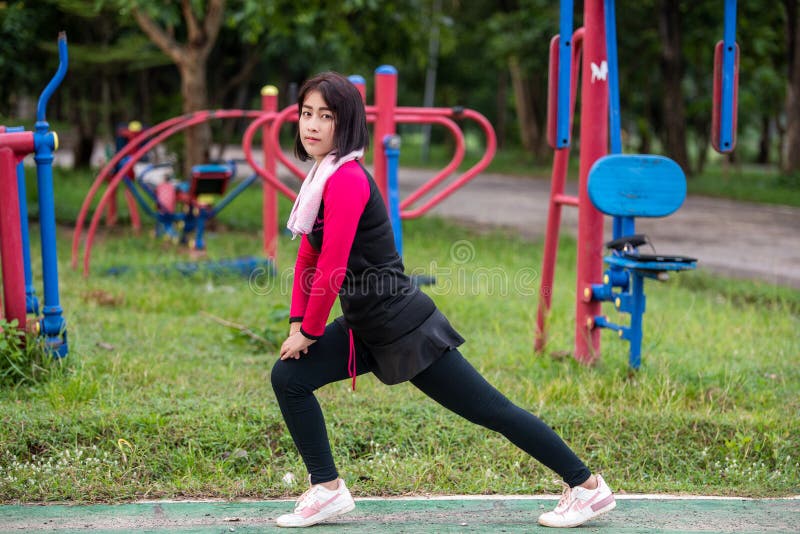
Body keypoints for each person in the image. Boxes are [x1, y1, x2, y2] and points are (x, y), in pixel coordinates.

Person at [271, 71, 616, 529]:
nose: (312, 125)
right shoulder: (321, 177)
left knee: (490, 410)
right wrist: (297, 323)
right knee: (289, 377)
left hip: (403, 327)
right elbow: (309, 256)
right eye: (306, 114)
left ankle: (587, 487)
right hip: (365, 325)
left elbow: (333, 264)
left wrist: (312, 331)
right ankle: (328, 489)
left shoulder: (347, 180)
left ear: (346, 123)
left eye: (326, 116)